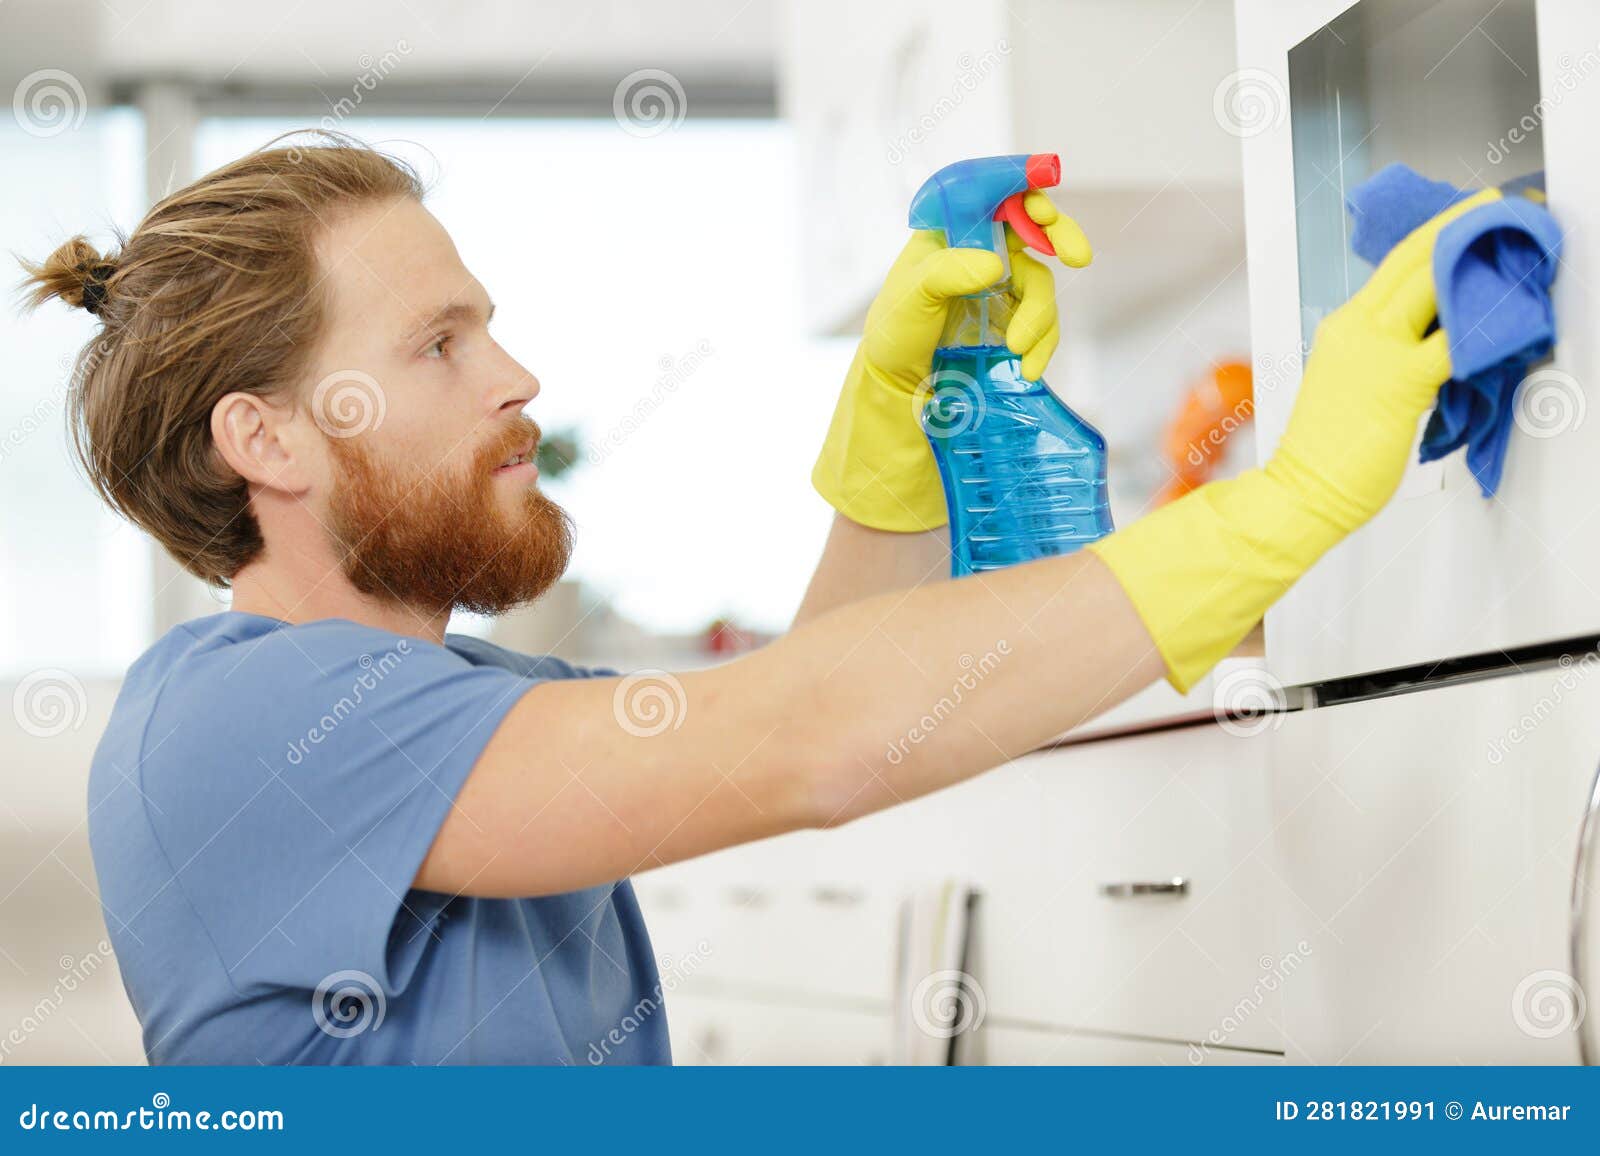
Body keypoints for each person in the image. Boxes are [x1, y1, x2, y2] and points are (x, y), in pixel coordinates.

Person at [20, 133, 1486, 1065]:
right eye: (439, 345)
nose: (516, 377)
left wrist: (893, 438)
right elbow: (813, 742)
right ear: (266, 437)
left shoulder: (472, 715)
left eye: (494, 327)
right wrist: (1282, 502)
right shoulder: (238, 718)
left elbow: (811, 698)